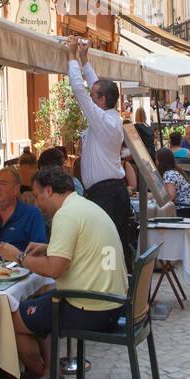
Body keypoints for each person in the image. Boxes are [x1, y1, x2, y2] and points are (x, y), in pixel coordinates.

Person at [1, 167, 128, 379]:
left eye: (38, 196)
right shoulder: (84, 207)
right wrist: (48, 249)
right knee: (39, 303)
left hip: (89, 307)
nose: (37, 204)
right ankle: (49, 373)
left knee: (9, 320)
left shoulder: (66, 215)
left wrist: (17, 256)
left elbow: (54, 270)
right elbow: (83, 250)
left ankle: (48, 377)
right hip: (110, 303)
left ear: (49, 191)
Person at [65, 35, 135, 263]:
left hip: (106, 194)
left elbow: (79, 90)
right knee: (114, 245)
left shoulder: (104, 121)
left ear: (102, 100)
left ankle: (113, 293)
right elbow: (95, 87)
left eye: (96, 96)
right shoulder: (109, 115)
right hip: (109, 192)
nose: (92, 99)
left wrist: (72, 56)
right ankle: (120, 290)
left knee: (107, 249)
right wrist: (85, 61)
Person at [156, 149, 190, 218]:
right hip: (187, 208)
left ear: (160, 161)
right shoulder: (175, 170)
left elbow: (171, 197)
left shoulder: (169, 174)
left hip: (181, 210)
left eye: (156, 159)